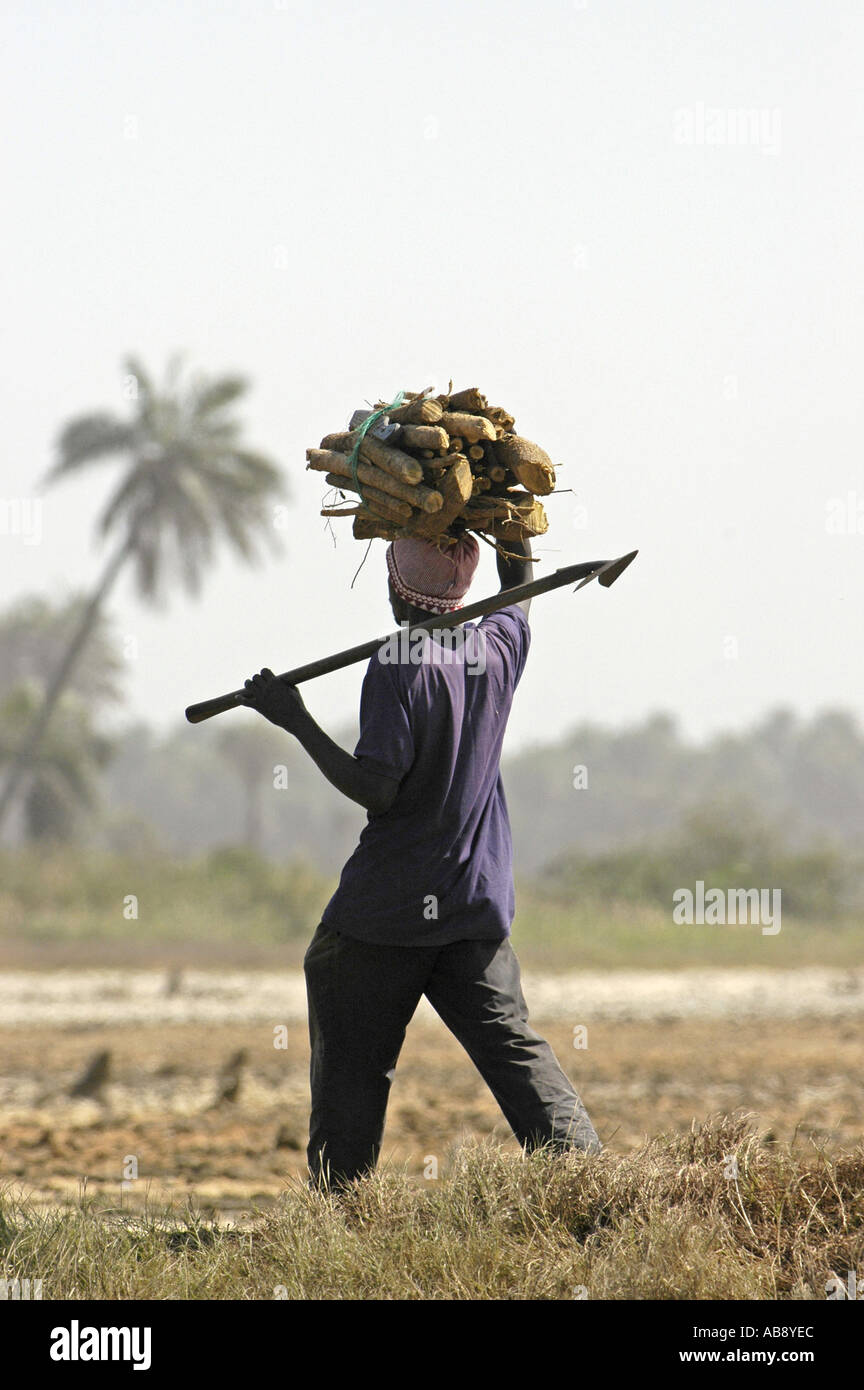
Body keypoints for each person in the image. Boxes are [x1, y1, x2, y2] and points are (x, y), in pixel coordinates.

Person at [241, 532, 601, 1189]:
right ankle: (591, 1184)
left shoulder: (398, 663)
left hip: (384, 916)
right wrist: (502, 513)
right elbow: (518, 585)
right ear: (463, 583)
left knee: (354, 1065)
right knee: (516, 1052)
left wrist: (294, 720)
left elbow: (377, 790)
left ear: (394, 584)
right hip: (473, 904)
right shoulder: (498, 647)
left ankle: (345, 1211)